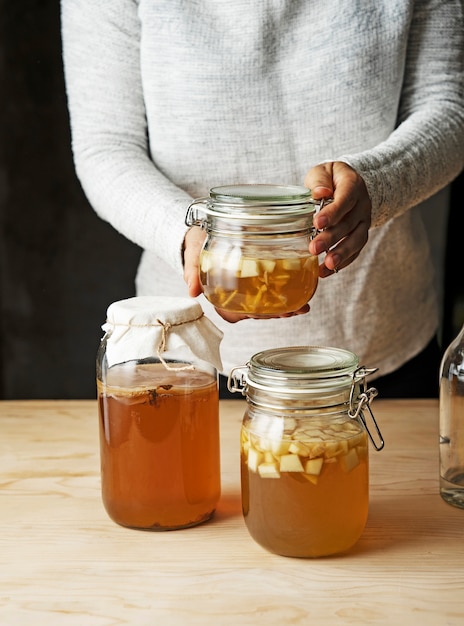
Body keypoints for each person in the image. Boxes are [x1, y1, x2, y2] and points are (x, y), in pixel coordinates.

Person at [61, 0, 464, 399]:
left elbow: (450, 110)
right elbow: (106, 147)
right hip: (187, 352)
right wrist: (185, 232)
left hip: (381, 342)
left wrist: (377, 183)